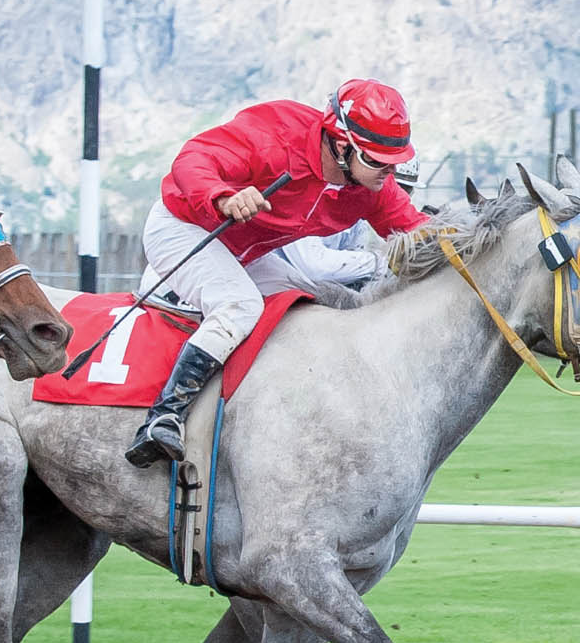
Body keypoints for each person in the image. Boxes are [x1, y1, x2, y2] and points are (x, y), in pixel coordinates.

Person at [124, 79, 430, 468]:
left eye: (393, 161)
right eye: (375, 160)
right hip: (184, 229)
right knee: (239, 305)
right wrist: (223, 195)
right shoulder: (276, 133)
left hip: (244, 254)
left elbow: (416, 229)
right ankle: (162, 417)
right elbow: (194, 159)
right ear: (340, 145)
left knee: (306, 303)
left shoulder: (370, 188)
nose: (388, 172)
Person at [269, 154, 425, 293]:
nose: (399, 199)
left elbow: (352, 270)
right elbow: (314, 266)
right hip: (268, 281)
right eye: (396, 189)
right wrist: (384, 263)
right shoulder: (308, 194)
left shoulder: (359, 214)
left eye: (406, 191)